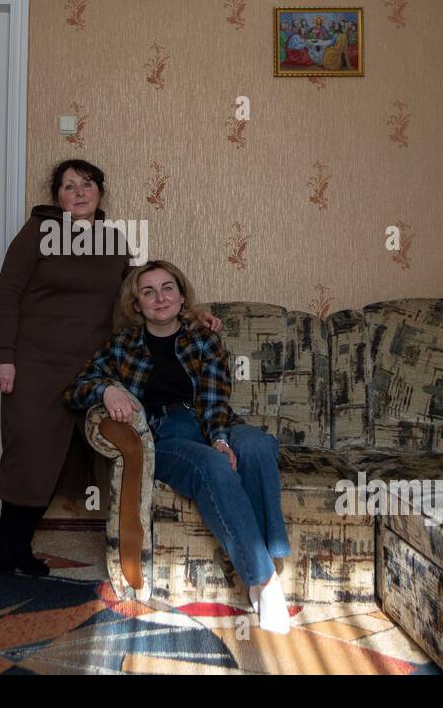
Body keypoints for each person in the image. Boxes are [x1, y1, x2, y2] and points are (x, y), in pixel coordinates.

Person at [0, 160, 219, 576]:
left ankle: (19, 550)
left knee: (69, 458)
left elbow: (143, 291)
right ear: (56, 197)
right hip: (36, 362)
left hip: (90, 368)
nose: (79, 192)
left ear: (100, 192)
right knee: (30, 452)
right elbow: (7, 296)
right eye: (69, 186)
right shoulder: (38, 234)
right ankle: (7, 550)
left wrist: (195, 314)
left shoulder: (113, 242)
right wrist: (3, 356)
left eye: (88, 184)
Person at [65, 259, 292, 633]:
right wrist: (106, 390)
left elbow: (217, 398)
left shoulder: (203, 338)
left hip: (209, 422)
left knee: (255, 444)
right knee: (213, 466)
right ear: (136, 305)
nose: (159, 298)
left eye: (168, 288)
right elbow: (76, 389)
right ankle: (265, 582)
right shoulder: (122, 346)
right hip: (165, 436)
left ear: (181, 295)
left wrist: (220, 438)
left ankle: (268, 560)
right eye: (148, 292)